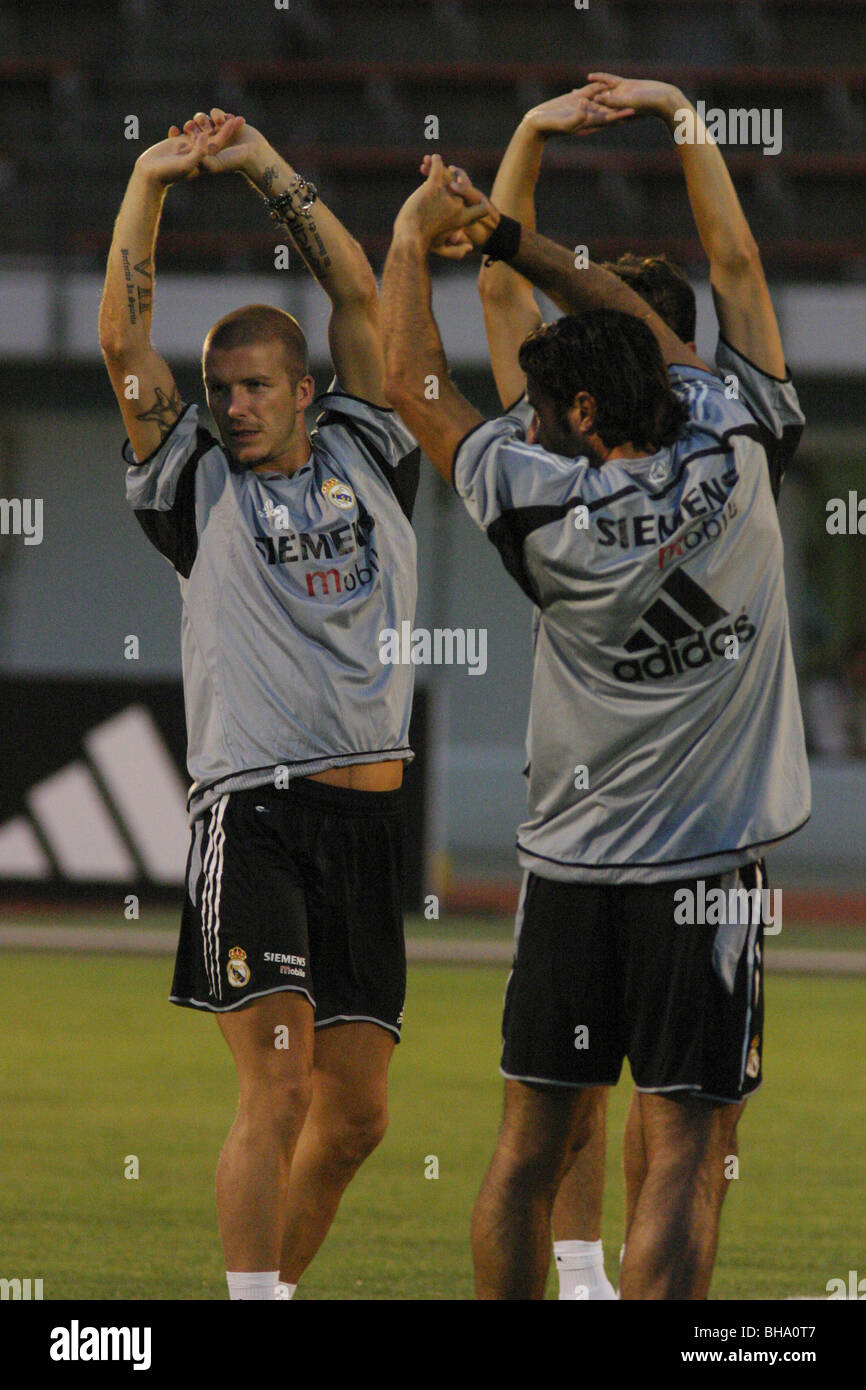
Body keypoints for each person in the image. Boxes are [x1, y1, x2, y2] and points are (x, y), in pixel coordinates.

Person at [379, 151, 810, 1299]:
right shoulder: (733, 444)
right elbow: (637, 313)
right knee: (682, 1152)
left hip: (569, 875)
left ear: (577, 413)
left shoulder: (539, 509)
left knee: (526, 1151)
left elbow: (411, 381)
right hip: (709, 872)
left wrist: (413, 240)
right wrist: (519, 243)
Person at [98, 110, 421, 1300]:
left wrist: (271, 172)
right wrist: (150, 181)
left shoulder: (372, 447)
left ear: (303, 388)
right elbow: (122, 340)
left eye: (251, 387)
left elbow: (362, 292)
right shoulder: (193, 486)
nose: (229, 406)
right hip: (257, 812)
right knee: (277, 1085)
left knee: (357, 1119)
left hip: (369, 816)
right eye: (217, 388)